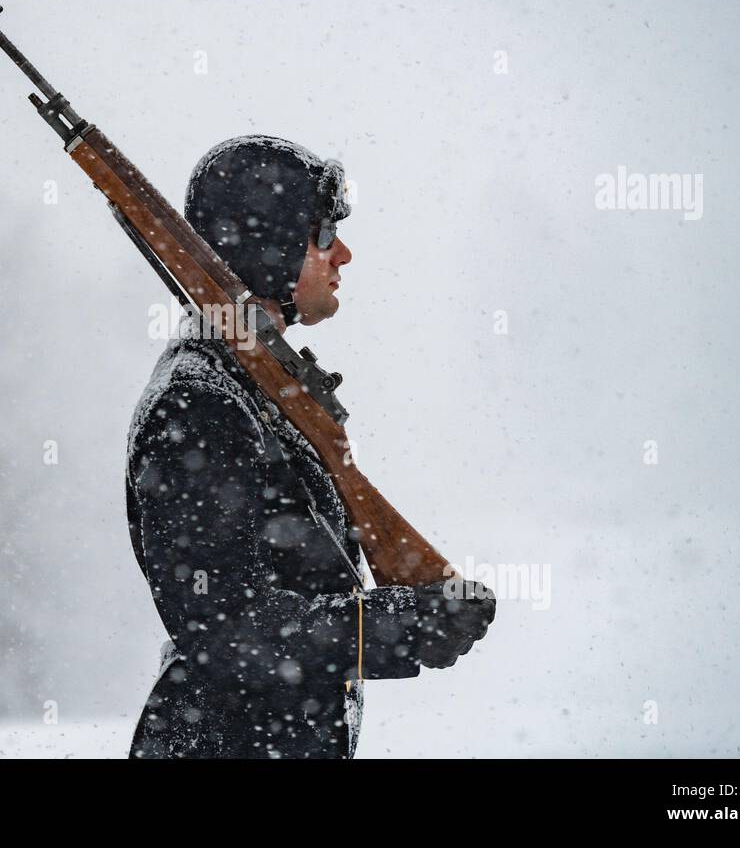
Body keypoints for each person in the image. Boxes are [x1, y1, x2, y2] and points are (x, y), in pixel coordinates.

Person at [125, 135, 495, 759]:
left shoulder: (257, 385)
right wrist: (398, 624)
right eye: (322, 235)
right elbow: (229, 631)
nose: (343, 253)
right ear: (266, 246)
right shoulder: (199, 403)